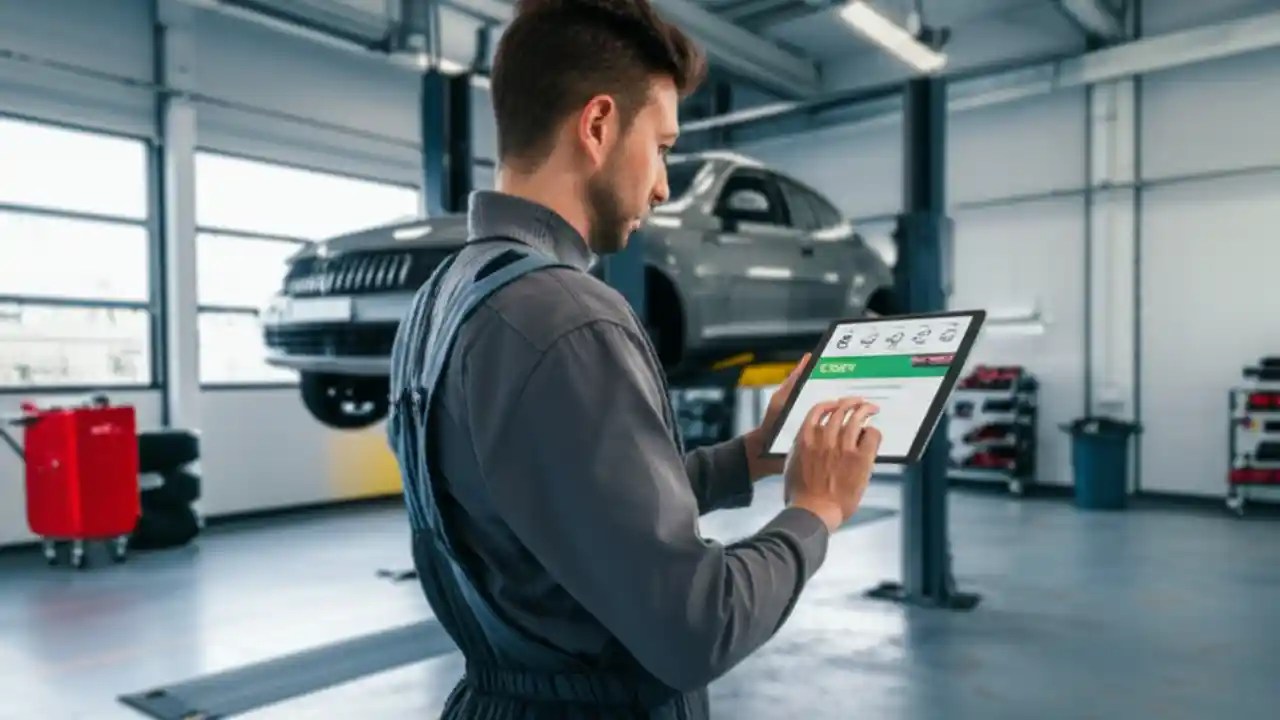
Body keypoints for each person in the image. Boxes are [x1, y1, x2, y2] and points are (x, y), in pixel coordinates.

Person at [385, 0, 882, 716]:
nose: (662, 185)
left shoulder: (440, 301)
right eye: (663, 147)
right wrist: (816, 510)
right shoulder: (570, 318)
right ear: (597, 127)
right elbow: (695, 627)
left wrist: (757, 454)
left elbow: (574, 503)